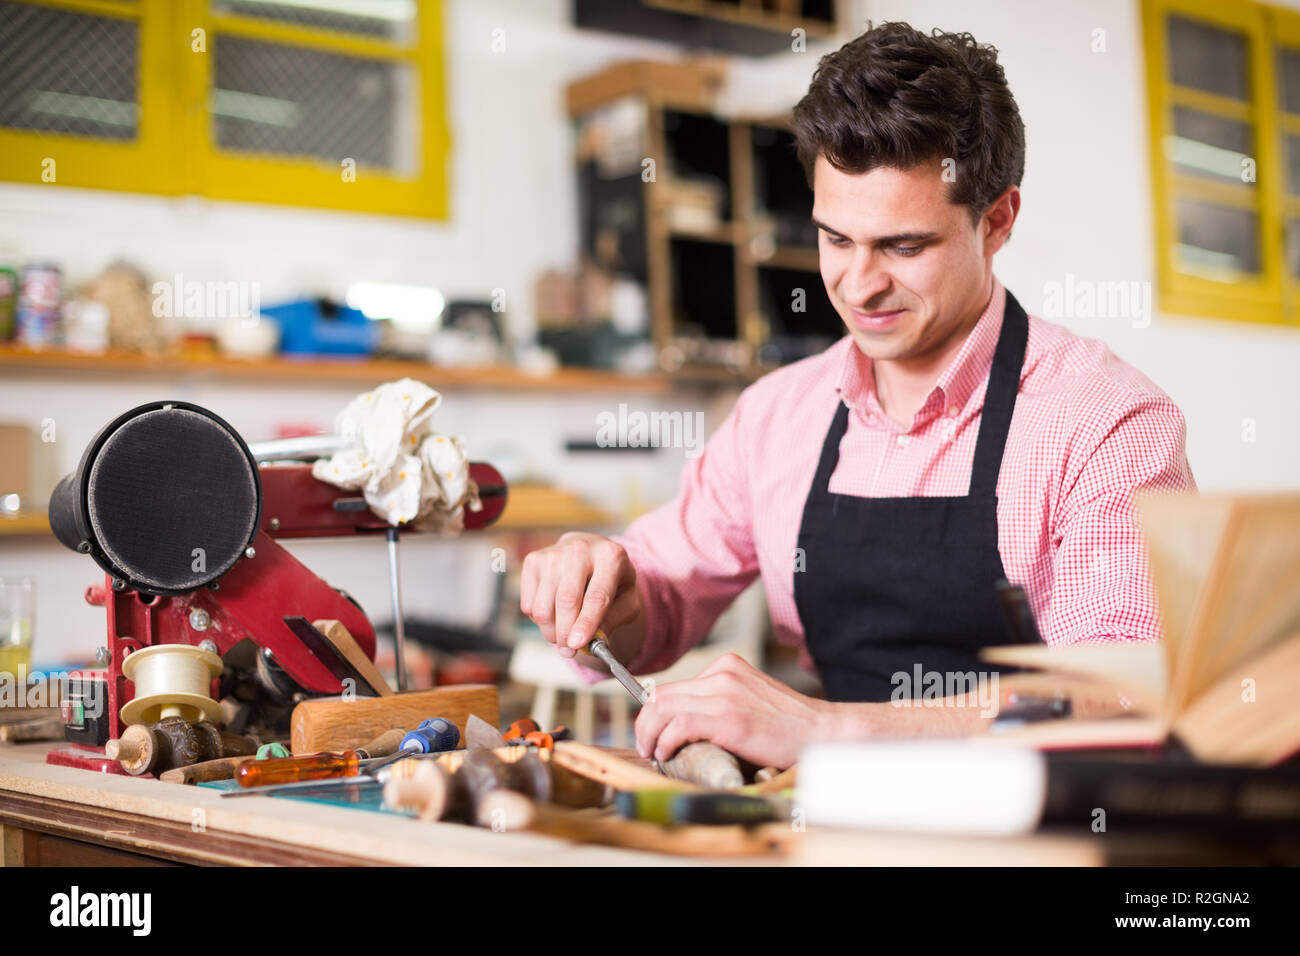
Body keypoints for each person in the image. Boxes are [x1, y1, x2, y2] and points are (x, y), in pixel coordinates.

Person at [519, 21, 1195, 770]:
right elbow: (661, 600)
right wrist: (603, 592)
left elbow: (1116, 695)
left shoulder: (1104, 421)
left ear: (997, 220)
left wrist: (826, 729)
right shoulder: (779, 416)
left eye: (904, 247)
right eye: (835, 239)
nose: (860, 285)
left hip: (1045, 827)